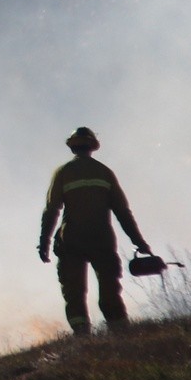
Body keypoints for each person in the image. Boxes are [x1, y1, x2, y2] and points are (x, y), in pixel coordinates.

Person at [38, 126, 150, 334]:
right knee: (109, 288)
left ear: (72, 147)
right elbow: (122, 212)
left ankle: (81, 333)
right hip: (102, 240)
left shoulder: (63, 173)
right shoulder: (104, 172)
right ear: (92, 147)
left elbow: (52, 210)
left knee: (73, 291)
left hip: (72, 240)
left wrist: (44, 242)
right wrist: (139, 241)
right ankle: (119, 332)